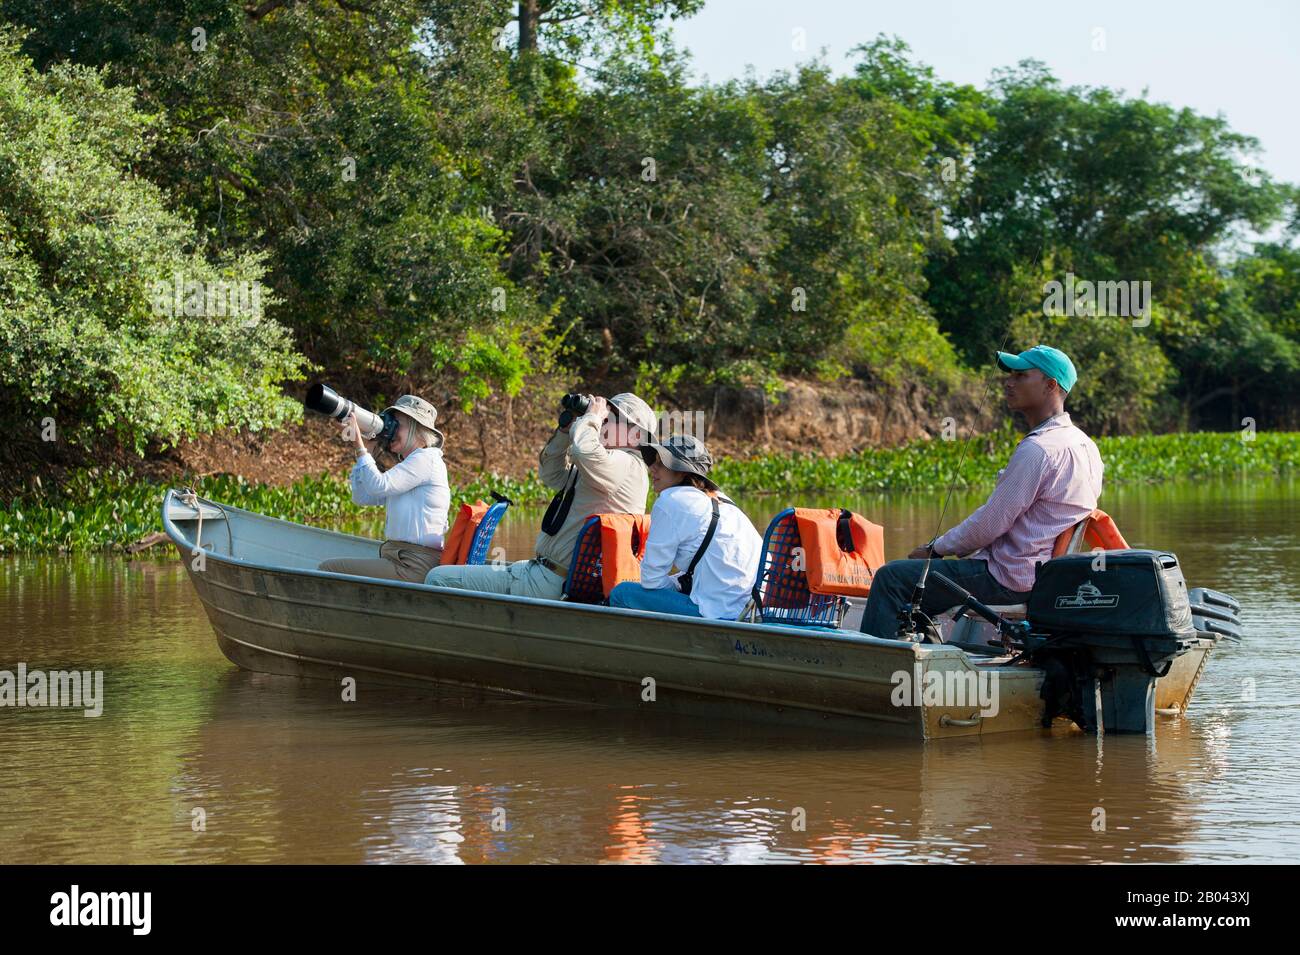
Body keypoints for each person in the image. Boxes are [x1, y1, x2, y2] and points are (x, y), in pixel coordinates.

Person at [859, 345, 1104, 640]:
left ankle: (875, 669)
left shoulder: (1039, 449)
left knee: (892, 578)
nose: (1008, 382)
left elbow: (990, 524)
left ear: (1051, 385)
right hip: (1045, 580)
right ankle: (923, 650)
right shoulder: (1086, 446)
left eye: (1021, 375)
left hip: (1008, 579)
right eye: (1010, 375)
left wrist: (935, 548)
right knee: (921, 580)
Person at [425, 392, 655, 600]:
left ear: (636, 435)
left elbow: (584, 450)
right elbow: (552, 475)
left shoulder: (627, 466)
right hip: (546, 574)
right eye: (605, 415)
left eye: (610, 417)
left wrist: (592, 417)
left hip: (550, 581)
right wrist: (566, 432)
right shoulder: (608, 466)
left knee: (437, 578)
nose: (603, 420)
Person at [609, 435, 762, 620]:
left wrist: (674, 586)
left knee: (622, 593)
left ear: (682, 472)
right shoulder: (722, 500)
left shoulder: (670, 500)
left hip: (720, 613)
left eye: (662, 463)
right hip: (752, 610)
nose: (652, 468)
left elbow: (651, 581)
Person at [318, 395, 451, 582]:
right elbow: (362, 496)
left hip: (413, 564)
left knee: (328, 568)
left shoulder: (426, 459)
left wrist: (359, 445)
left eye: (397, 425)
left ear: (416, 428)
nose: (390, 430)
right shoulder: (414, 464)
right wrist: (368, 449)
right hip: (402, 560)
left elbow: (379, 486)